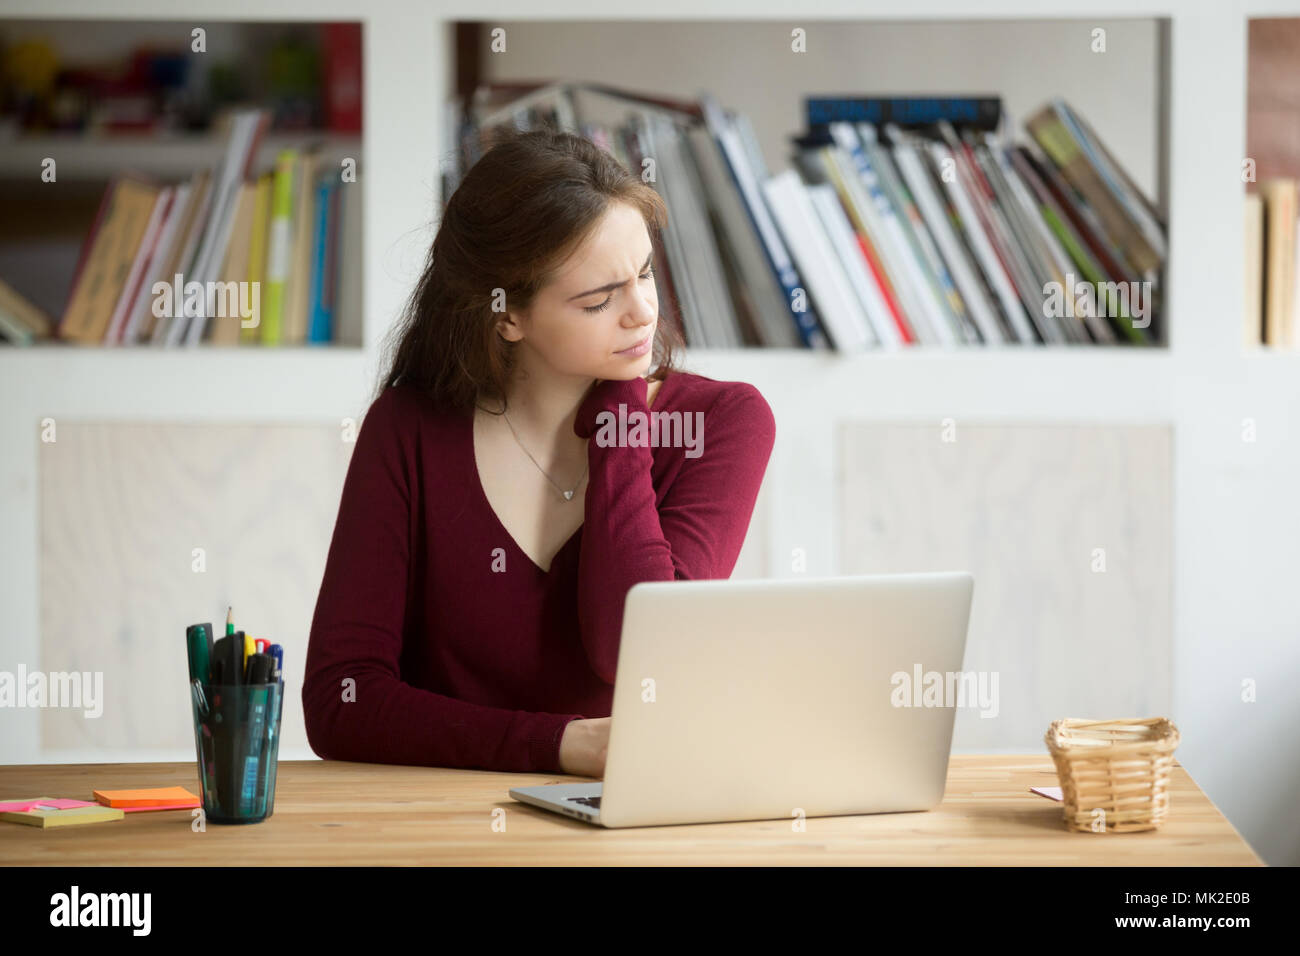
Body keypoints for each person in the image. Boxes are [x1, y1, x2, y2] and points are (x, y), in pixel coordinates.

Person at [302, 127, 776, 777]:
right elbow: (342, 701)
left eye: (643, 274)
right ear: (506, 315)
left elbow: (635, 652)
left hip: (629, 826)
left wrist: (619, 417)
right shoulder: (408, 430)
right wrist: (557, 745)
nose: (643, 314)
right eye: (600, 298)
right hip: (434, 827)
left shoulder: (722, 422)